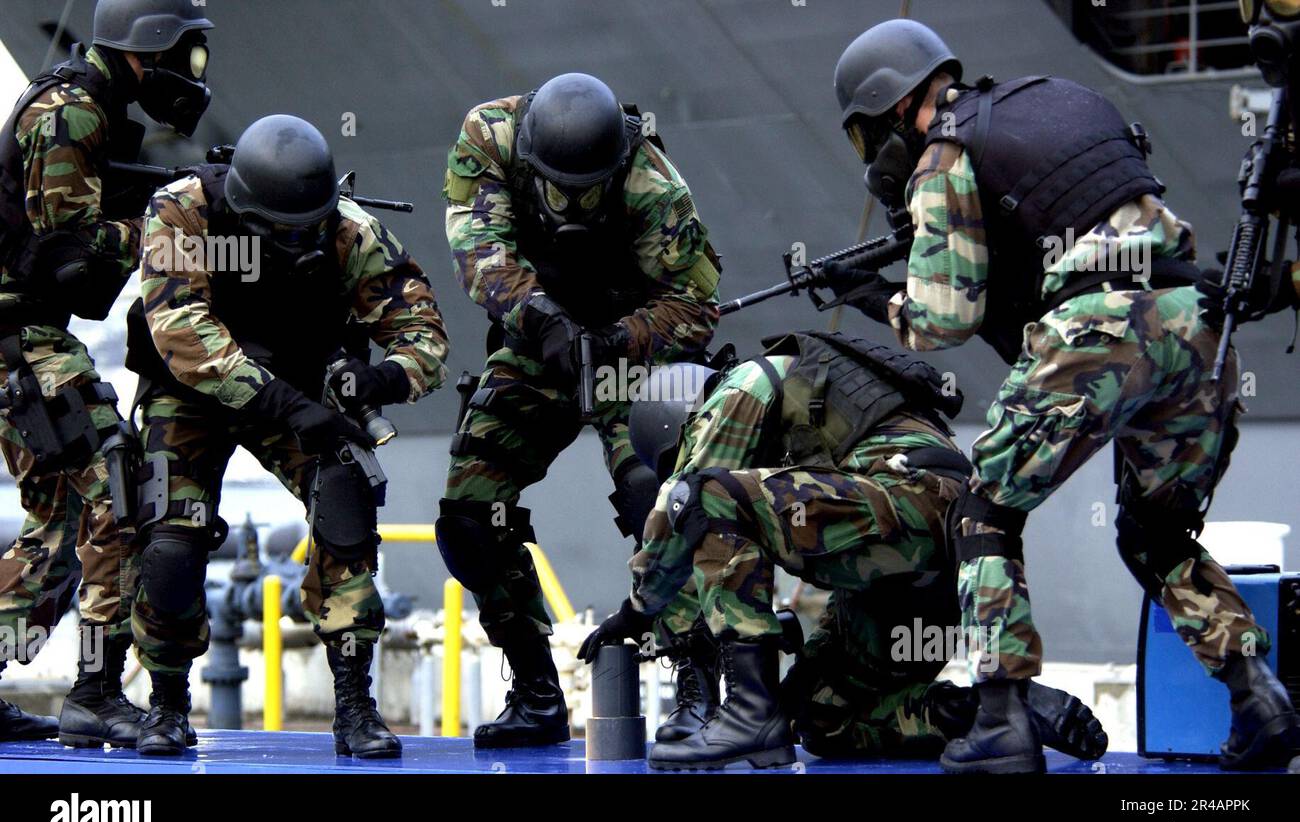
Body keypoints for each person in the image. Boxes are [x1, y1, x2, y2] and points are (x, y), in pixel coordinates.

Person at [822, 18, 1300, 772]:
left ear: (892, 104)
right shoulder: (1055, 100)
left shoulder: (943, 149)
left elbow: (946, 317)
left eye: (866, 133)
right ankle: (1260, 699)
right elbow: (1056, 266)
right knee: (1156, 533)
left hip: (1101, 327)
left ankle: (1002, 719)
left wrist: (883, 298)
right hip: (1200, 323)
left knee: (984, 510)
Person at [579, 337, 1107, 770]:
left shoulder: (742, 386)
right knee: (823, 718)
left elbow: (684, 508)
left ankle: (747, 712)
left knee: (703, 498)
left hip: (904, 513)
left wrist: (636, 612)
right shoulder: (805, 395)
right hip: (933, 559)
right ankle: (989, 714)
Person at [124, 115, 449, 756]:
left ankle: (355, 703)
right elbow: (180, 328)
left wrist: (377, 380)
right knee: (171, 538)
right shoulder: (184, 211)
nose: (294, 239)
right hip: (192, 390)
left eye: (306, 227)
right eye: (278, 230)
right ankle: (165, 703)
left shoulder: (352, 232)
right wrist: (283, 403)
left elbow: (424, 335)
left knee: (345, 505)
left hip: (303, 396)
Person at [436, 72, 721, 748]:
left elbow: (695, 303)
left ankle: (698, 681)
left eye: (584, 188)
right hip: (537, 343)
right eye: (555, 185)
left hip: (628, 344)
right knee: (471, 514)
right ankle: (535, 689)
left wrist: (621, 337)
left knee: (656, 498)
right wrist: (543, 322)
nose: (568, 201)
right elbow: (480, 252)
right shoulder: (491, 138)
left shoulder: (654, 186)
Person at [0, 0, 213, 748]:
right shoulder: (71, 113)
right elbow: (74, 264)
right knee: (120, 489)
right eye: (186, 51)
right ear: (145, 48)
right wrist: (164, 217)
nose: (194, 70)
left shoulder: (90, 106)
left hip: (24, 338)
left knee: (59, 527)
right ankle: (94, 690)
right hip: (19, 338)